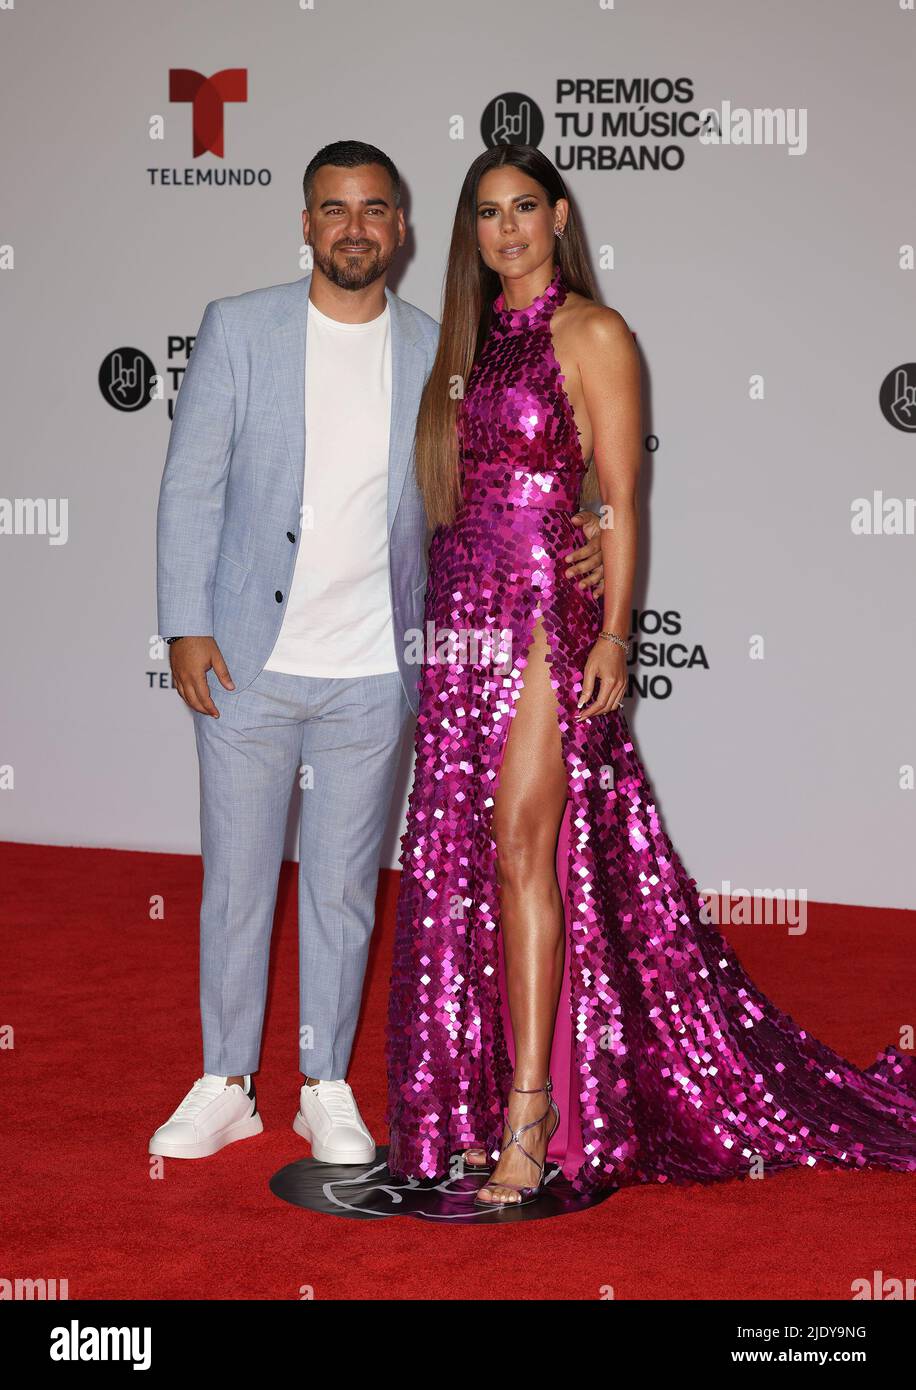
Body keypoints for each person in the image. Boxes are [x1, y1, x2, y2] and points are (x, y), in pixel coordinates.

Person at [384, 143, 916, 1207]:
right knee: (471, 858)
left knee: (523, 847)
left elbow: (622, 496)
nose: (508, 231)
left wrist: (615, 635)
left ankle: (531, 1122)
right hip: (461, 620)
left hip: (543, 614)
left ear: (561, 213)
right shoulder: (465, 343)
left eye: (525, 207)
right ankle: (471, 1103)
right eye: (487, 214)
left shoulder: (594, 332)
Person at [150, 141, 605, 1163]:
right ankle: (226, 1080)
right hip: (248, 662)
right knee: (237, 881)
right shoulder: (239, 328)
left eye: (374, 210)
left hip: (376, 668)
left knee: (348, 887)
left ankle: (322, 1085)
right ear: (306, 225)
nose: (354, 227)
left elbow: (494, 483)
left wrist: (594, 525)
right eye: (332, 209)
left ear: (400, 230)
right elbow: (190, 486)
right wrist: (185, 622)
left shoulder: (443, 352)